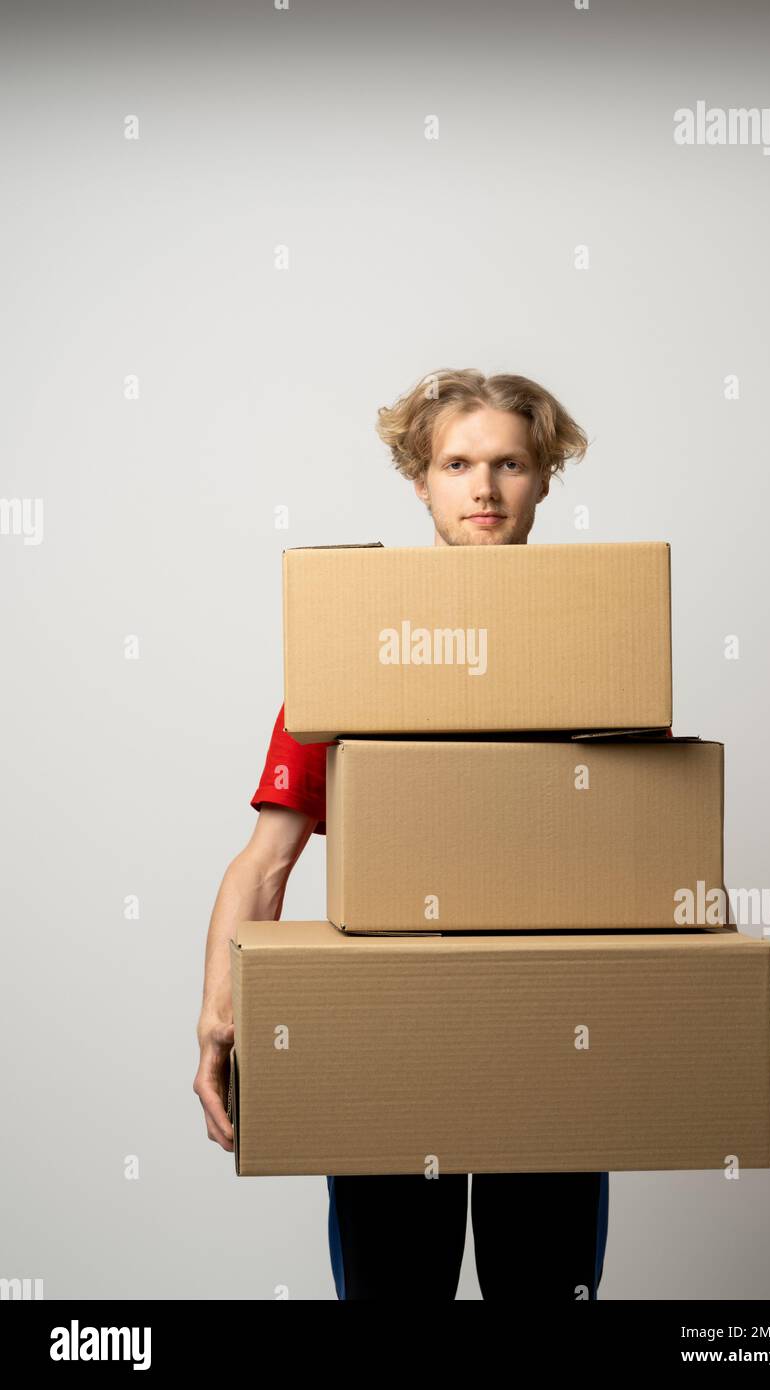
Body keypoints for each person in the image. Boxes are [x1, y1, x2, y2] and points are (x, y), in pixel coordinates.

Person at [194, 368, 613, 1299]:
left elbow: (646, 853)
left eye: (511, 463)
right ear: (419, 481)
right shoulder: (352, 655)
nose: (485, 488)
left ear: (546, 478)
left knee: (544, 1293)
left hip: (550, 1028)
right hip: (388, 1023)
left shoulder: (607, 651)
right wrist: (220, 1014)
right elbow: (266, 861)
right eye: (458, 463)